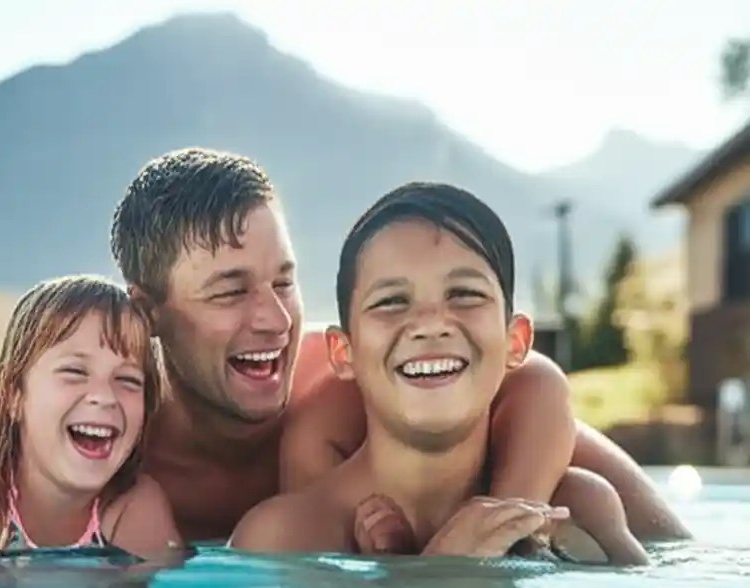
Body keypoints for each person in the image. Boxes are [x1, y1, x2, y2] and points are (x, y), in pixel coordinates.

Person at [109, 147, 690, 544]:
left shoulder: (337, 376)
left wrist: (504, 526)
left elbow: (537, 382)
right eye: (230, 291)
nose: (275, 318)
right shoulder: (117, 458)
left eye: (284, 281)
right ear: (146, 313)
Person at [228, 181, 649, 565]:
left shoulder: (584, 509)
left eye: (465, 294)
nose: (431, 322)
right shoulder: (282, 539)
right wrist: (446, 565)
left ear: (516, 342)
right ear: (343, 352)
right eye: (391, 301)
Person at [0, 275, 183, 560]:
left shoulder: (134, 506)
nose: (105, 396)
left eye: (127, 379)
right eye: (75, 372)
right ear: (13, 395)